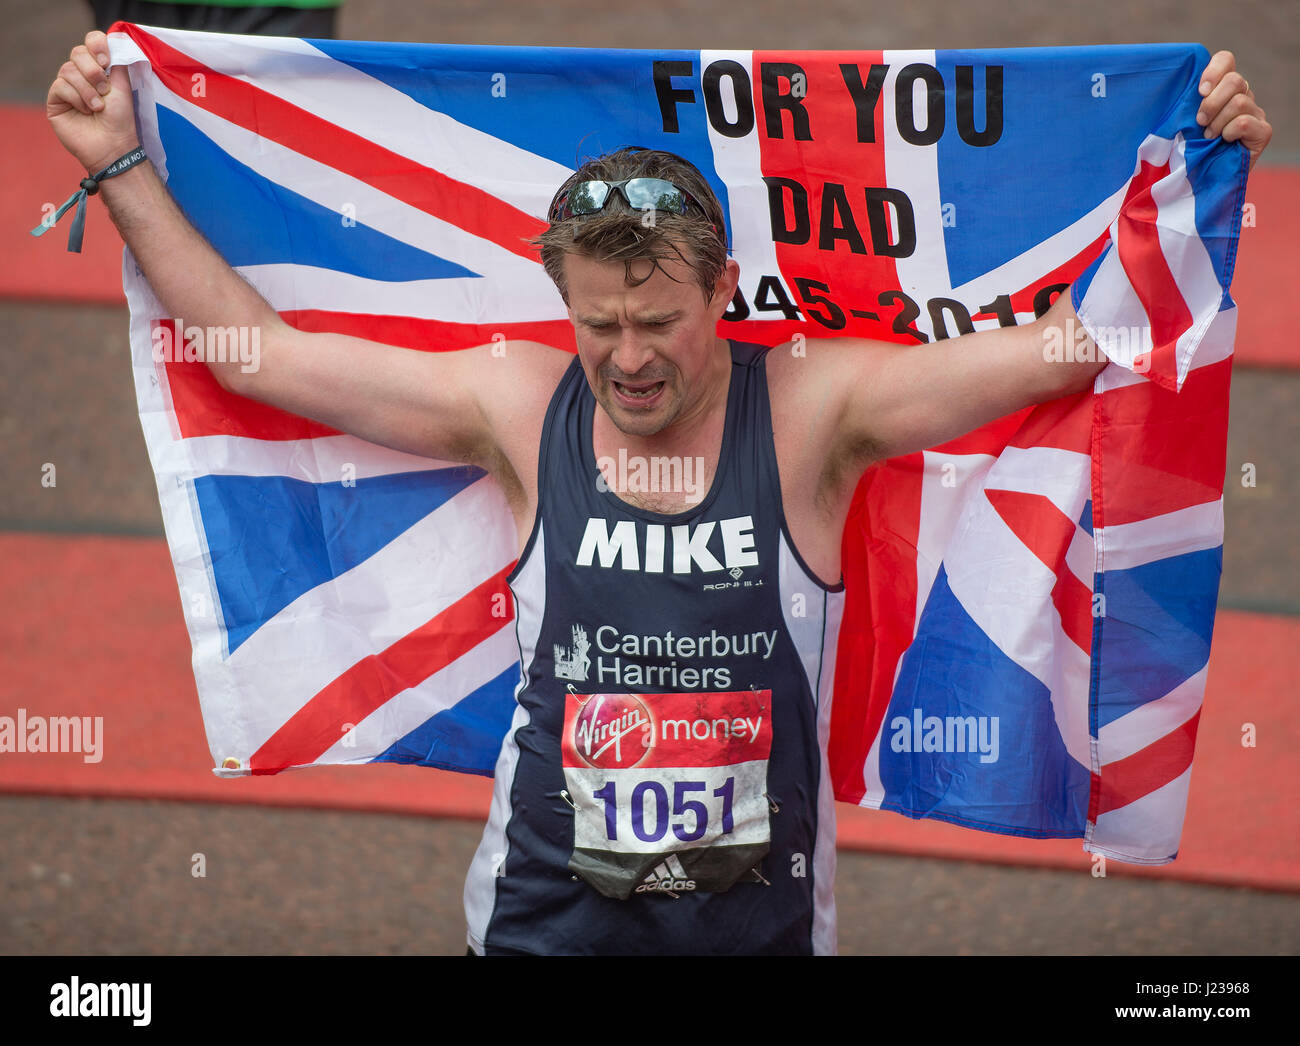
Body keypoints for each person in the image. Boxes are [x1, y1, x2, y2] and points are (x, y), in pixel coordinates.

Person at [47, 31, 1271, 955]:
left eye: (658, 323)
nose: (628, 357)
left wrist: (1201, 167)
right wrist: (120, 171)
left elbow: (1069, 347)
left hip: (761, 934)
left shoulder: (811, 410)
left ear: (722, 292)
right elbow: (266, 355)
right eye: (599, 325)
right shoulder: (520, 404)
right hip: (538, 924)